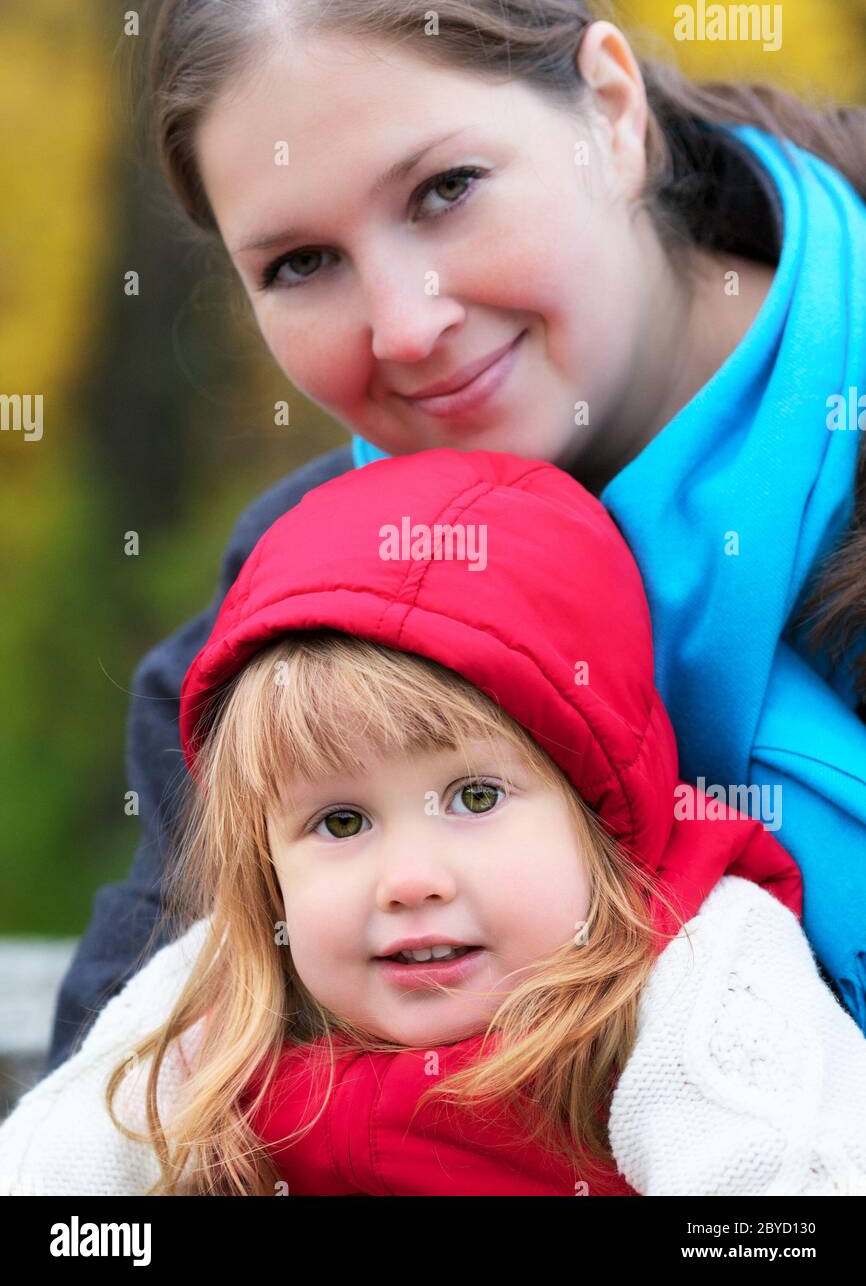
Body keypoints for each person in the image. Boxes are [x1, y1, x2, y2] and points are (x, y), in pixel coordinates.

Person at [44, 0, 866, 1077]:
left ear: (612, 113)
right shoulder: (282, 624)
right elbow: (123, 1101)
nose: (405, 324)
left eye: (444, 189)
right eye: (301, 263)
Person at [5, 448, 866, 1196]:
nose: (411, 879)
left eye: (476, 800)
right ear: (265, 867)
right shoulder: (222, 994)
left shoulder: (691, 972)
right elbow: (54, 1177)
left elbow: (786, 1182)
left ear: (596, 807)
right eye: (341, 823)